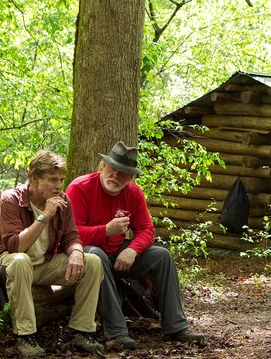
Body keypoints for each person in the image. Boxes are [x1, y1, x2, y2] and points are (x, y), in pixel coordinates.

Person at [66, 141, 204, 346]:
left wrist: (132, 249)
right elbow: (70, 234)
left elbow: (147, 230)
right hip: (85, 254)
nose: (115, 176)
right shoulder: (80, 187)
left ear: (130, 177)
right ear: (103, 166)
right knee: (97, 256)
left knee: (162, 256)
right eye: (113, 169)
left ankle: (176, 326)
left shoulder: (133, 193)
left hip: (117, 252)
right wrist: (105, 230)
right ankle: (117, 333)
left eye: (123, 173)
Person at [0, 150, 104, 358]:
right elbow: (15, 245)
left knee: (93, 262)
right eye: (52, 179)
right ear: (34, 178)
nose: (58, 185)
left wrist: (77, 251)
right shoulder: (11, 200)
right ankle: (25, 336)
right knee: (20, 260)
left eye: (60, 179)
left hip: (43, 264)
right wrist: (45, 215)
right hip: (10, 262)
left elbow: (71, 236)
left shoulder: (63, 201)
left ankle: (82, 331)